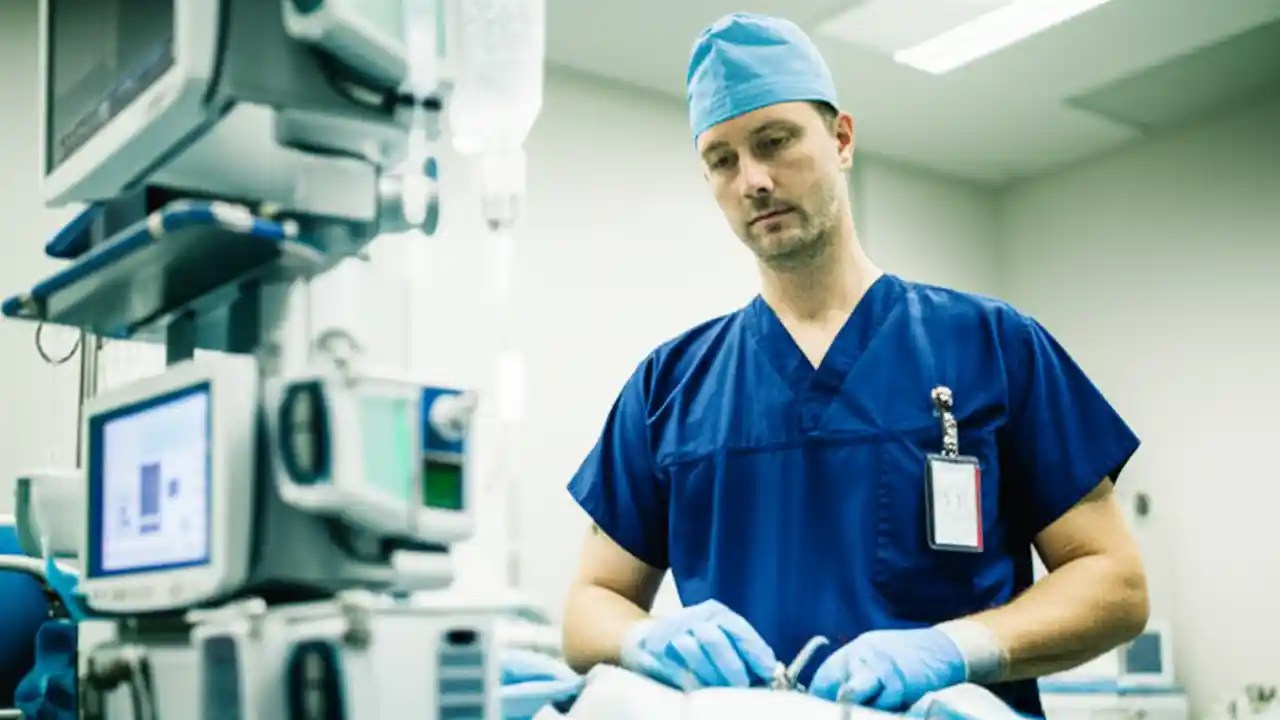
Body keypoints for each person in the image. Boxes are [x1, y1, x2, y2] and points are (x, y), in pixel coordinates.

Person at [556, 11, 1150, 718]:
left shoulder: (993, 346)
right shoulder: (670, 387)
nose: (753, 180)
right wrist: (645, 638)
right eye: (722, 160)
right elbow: (588, 609)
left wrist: (955, 649)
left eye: (774, 143)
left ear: (841, 139)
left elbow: (1114, 583)